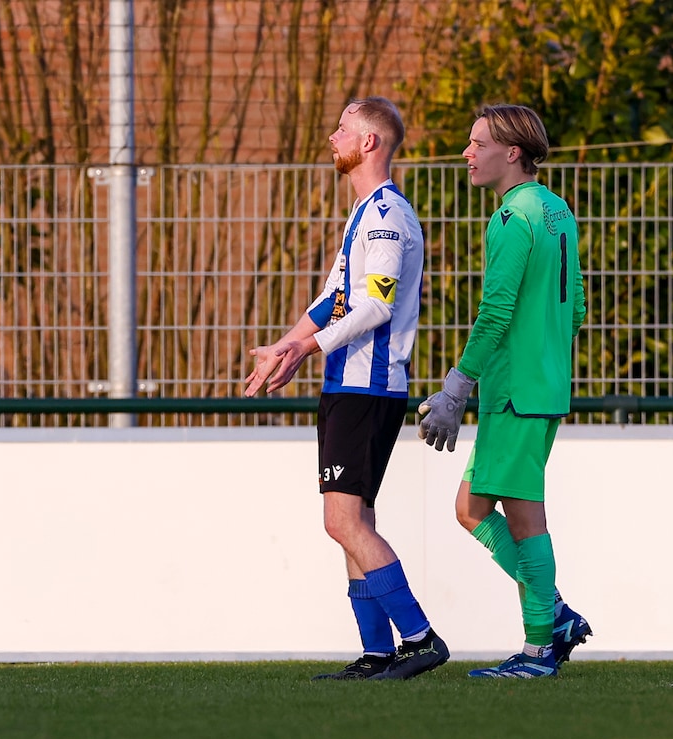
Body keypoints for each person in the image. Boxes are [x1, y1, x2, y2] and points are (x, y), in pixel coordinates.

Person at [244, 97, 448, 681]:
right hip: (347, 385)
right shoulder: (362, 211)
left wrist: (307, 348)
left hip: (367, 388)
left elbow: (376, 305)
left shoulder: (386, 215)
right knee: (353, 522)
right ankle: (377, 653)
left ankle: (420, 639)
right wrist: (286, 346)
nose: (332, 137)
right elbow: (333, 298)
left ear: (369, 143)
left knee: (343, 522)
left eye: (343, 129)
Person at [418, 104, 590, 678]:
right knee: (470, 508)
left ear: (511, 152)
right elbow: (577, 306)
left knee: (525, 521)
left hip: (516, 392)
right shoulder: (557, 210)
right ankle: (555, 615)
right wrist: (543, 353)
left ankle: (541, 648)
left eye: (478, 144)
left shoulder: (513, 217)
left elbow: (495, 312)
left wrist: (455, 387)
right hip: (540, 386)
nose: (467, 153)